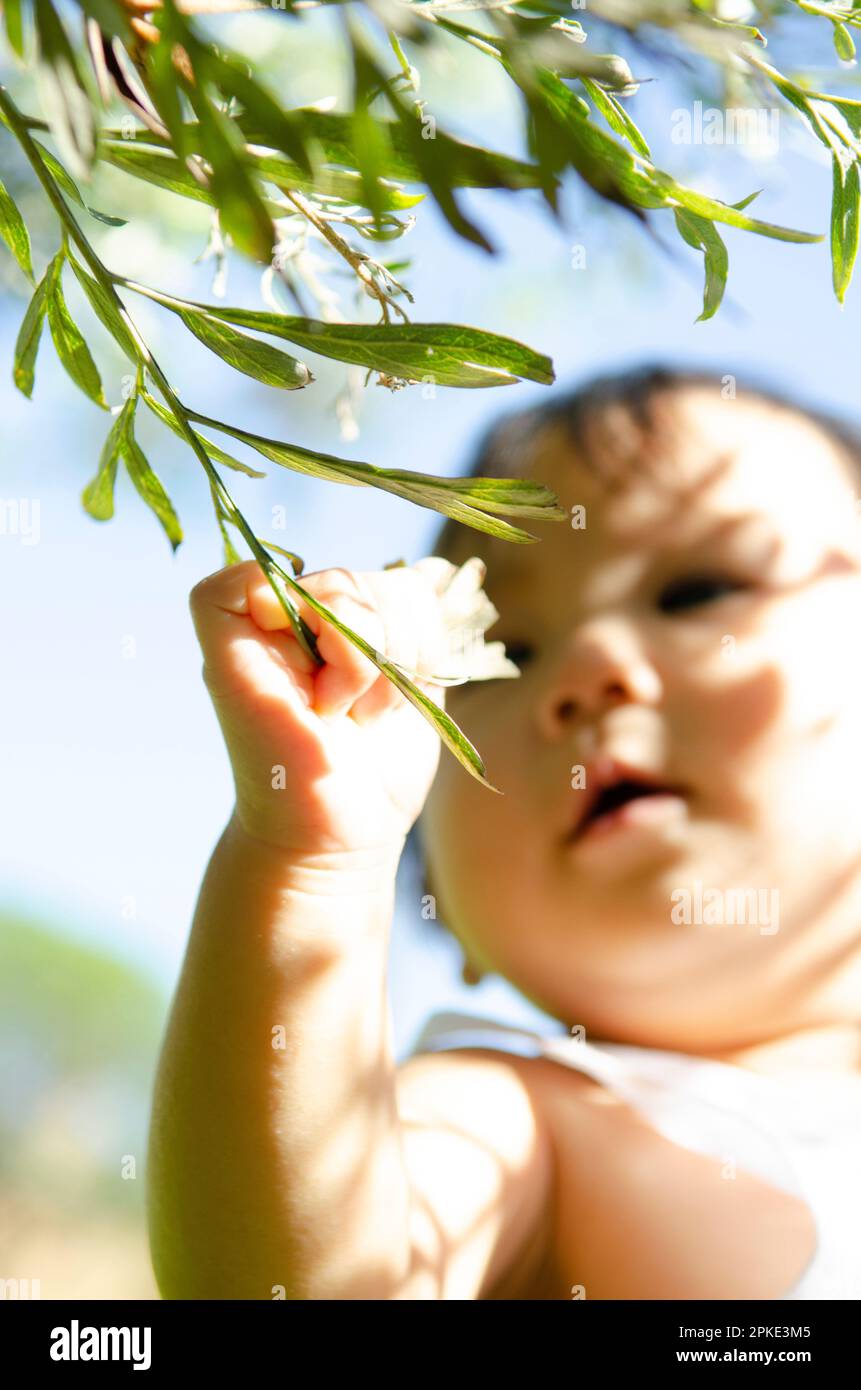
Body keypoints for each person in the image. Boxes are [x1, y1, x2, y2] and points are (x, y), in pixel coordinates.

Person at [147, 364, 861, 1299]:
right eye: (503, 656)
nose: (592, 666)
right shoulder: (537, 1127)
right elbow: (317, 1279)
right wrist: (310, 861)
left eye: (697, 591)